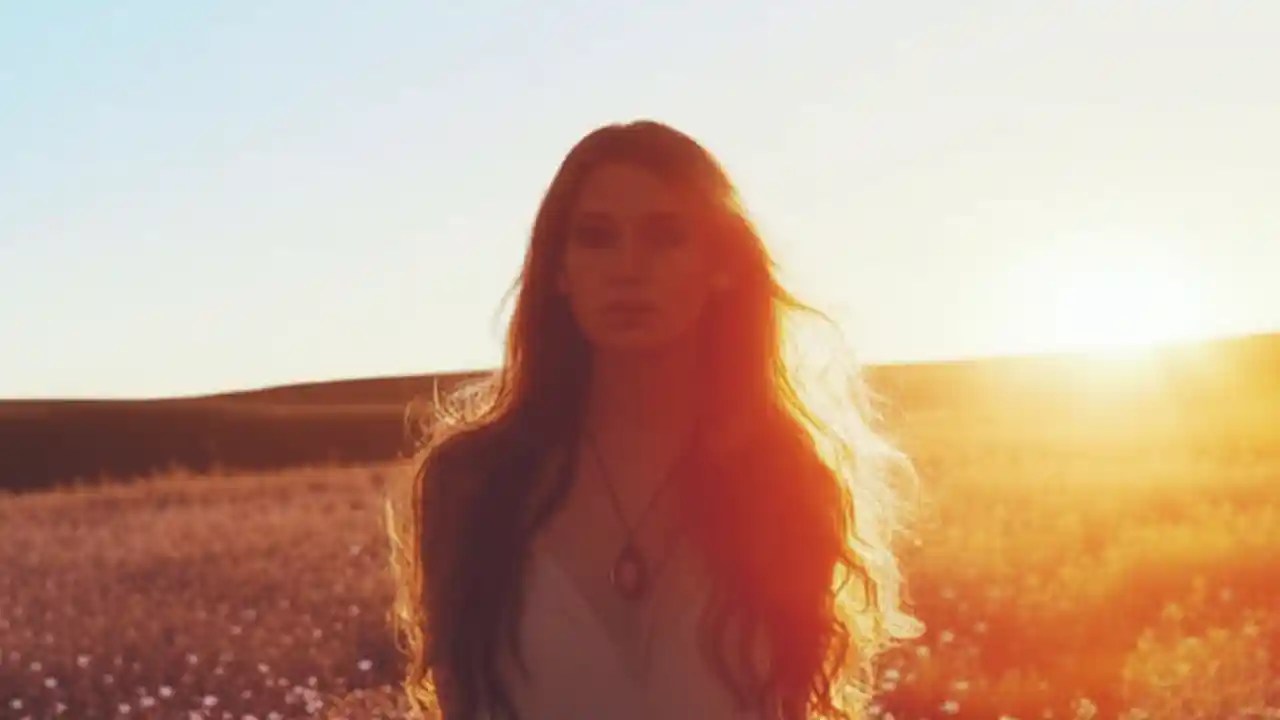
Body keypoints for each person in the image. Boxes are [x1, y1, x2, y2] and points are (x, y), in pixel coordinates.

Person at [386, 119, 925, 719]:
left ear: (721, 266)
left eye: (665, 237)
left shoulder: (783, 481)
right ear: (559, 271)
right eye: (596, 238)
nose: (628, 267)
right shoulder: (472, 482)